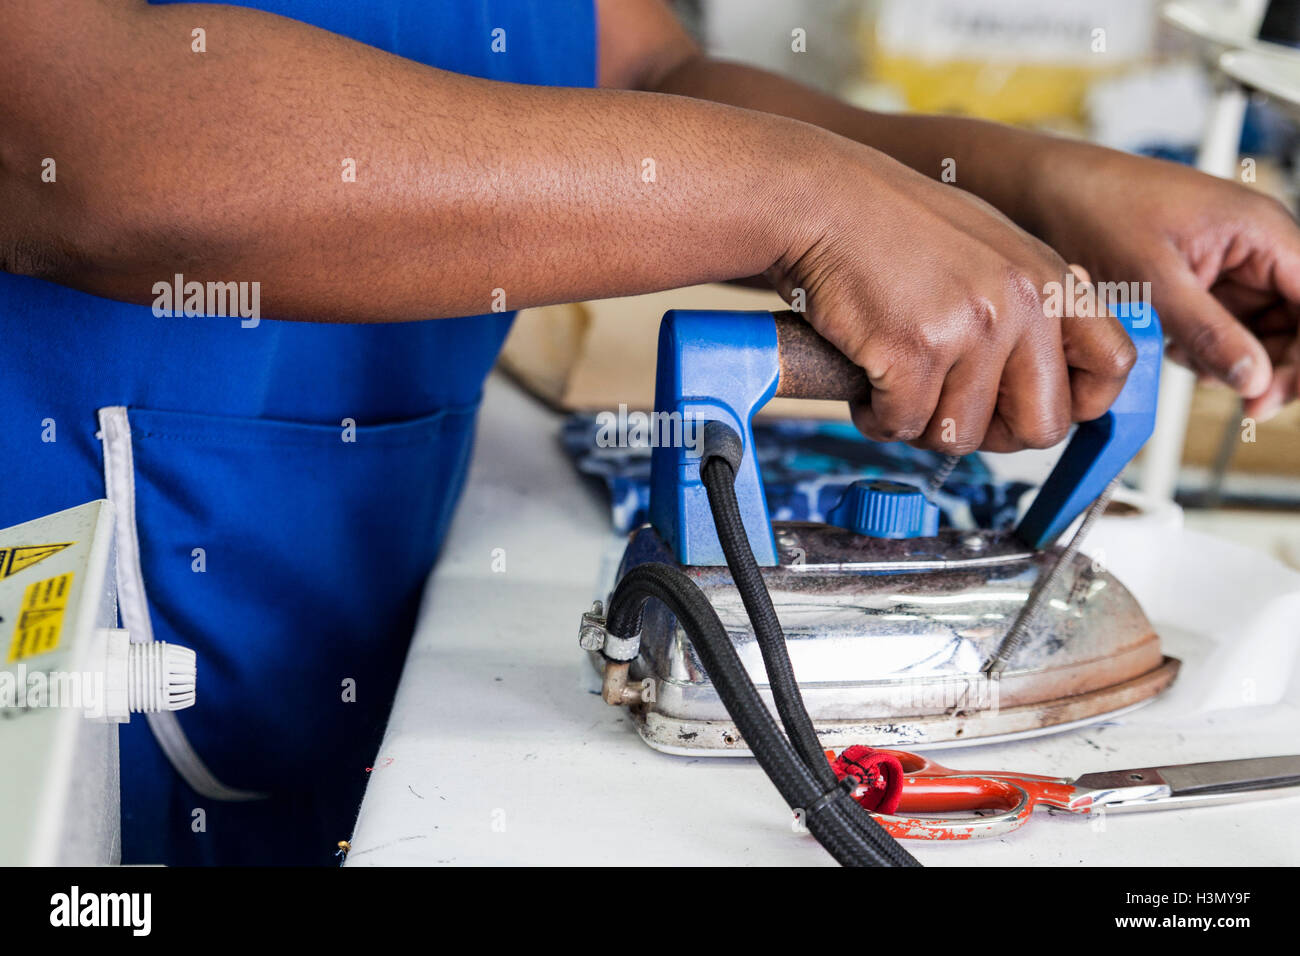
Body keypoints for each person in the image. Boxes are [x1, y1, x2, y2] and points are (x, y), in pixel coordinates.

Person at [2, 0, 1297, 865]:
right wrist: (802, 200)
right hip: (61, 642)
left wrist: (1034, 183)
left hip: (338, 603)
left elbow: (637, 65)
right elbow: (62, 130)